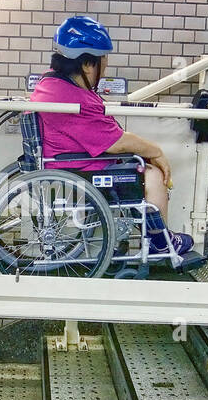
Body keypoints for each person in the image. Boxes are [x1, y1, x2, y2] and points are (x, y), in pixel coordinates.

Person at [29, 15, 195, 256]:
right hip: (82, 169)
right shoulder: (71, 98)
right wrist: (156, 152)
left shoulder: (52, 85)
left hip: (70, 163)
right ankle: (161, 243)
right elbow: (116, 142)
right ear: (87, 64)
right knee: (153, 175)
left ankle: (139, 239)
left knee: (139, 163)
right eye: (102, 62)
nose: (104, 67)